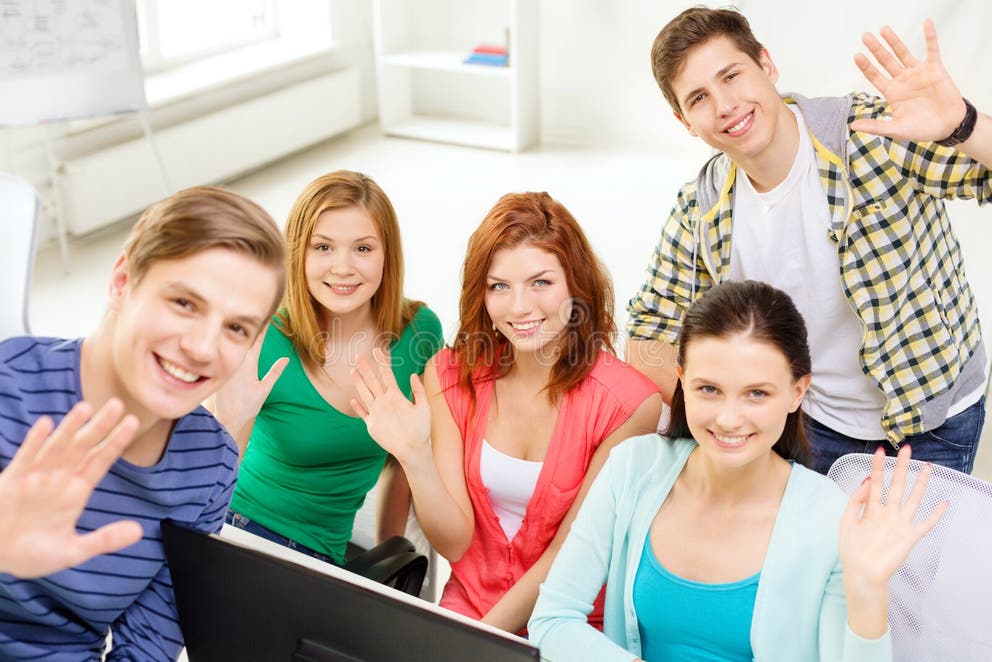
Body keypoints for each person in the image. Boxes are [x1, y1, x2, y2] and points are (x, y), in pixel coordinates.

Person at [626, 8, 992, 474]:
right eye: (699, 98)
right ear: (685, 122)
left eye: (732, 76)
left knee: (907, 550)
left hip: (931, 420)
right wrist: (724, 410)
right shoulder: (702, 207)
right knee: (818, 549)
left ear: (767, 65)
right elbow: (649, 330)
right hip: (807, 427)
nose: (724, 105)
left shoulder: (869, 138)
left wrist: (963, 123)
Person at [530, 280, 944, 661]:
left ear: (797, 392)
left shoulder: (833, 517)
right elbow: (553, 620)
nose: (728, 419)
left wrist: (868, 589)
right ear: (682, 381)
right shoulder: (632, 468)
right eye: (708, 389)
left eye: (756, 394)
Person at [351, 191, 663, 633]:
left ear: (577, 286)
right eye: (499, 286)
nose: (519, 307)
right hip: (467, 612)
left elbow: (568, 554)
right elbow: (455, 543)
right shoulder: (450, 374)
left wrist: (483, 643)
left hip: (572, 623)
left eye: (541, 283)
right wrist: (415, 456)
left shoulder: (630, 402)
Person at [0, 186, 286, 660]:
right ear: (122, 281)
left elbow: (148, 645)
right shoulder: (8, 387)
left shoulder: (210, 463)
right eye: (184, 303)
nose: (202, 347)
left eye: (236, 328)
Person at [214, 170, 444, 566]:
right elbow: (207, 481)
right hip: (238, 530)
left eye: (362, 249)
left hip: (323, 559)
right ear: (297, 253)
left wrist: (390, 558)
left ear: (387, 255)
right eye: (323, 248)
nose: (342, 268)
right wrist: (230, 422)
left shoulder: (420, 333)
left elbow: (404, 463)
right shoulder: (264, 334)